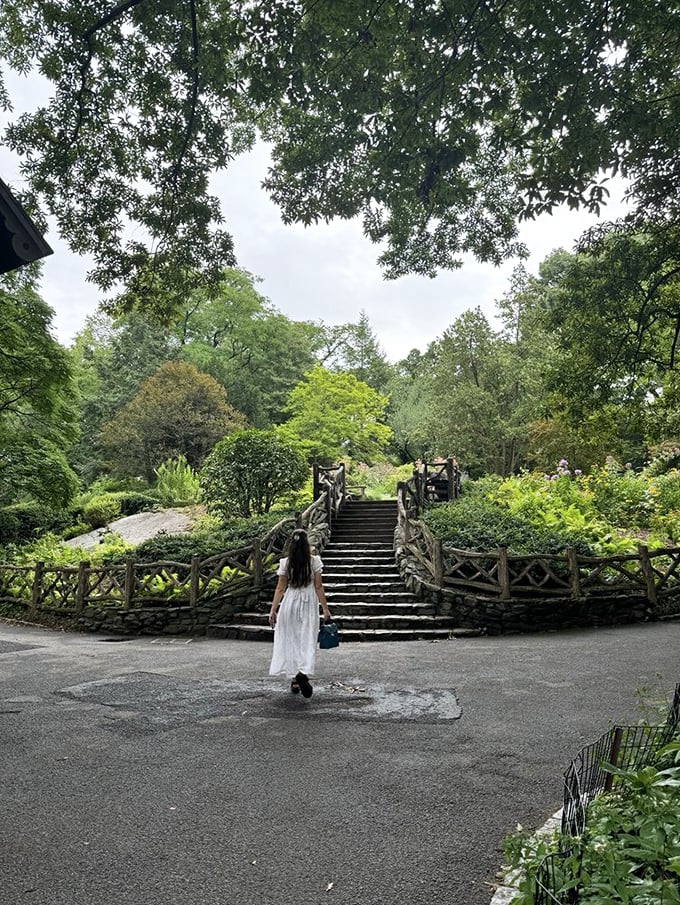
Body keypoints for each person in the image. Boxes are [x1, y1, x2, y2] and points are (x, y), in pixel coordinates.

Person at [268, 528, 332, 698]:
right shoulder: (314, 562)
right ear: (306, 544)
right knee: (306, 639)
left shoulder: (286, 563)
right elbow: (318, 586)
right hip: (308, 602)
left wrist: (273, 609)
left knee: (292, 639)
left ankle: (295, 679)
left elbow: (280, 588)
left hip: (290, 602)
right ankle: (302, 674)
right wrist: (325, 608)